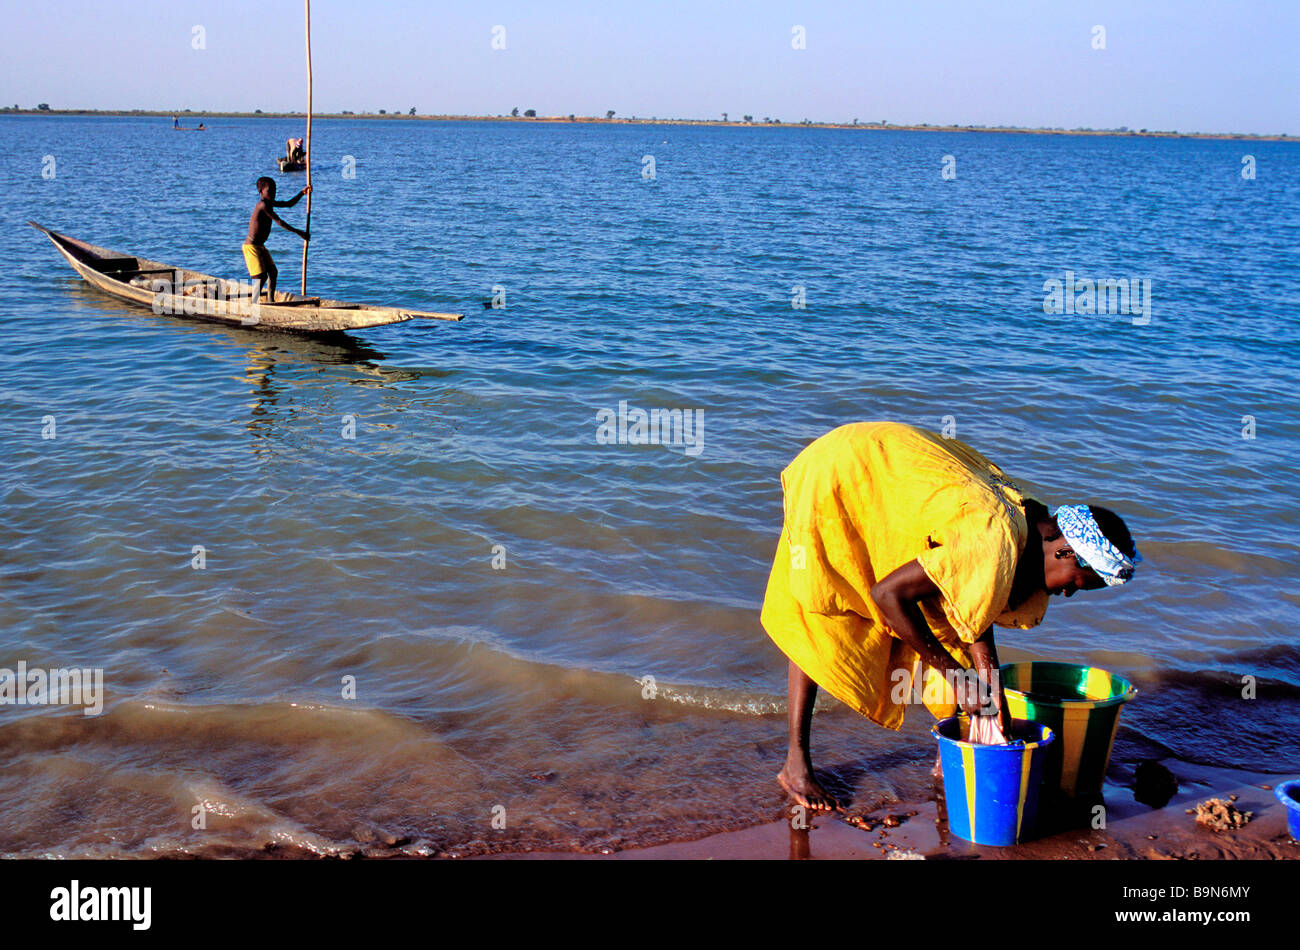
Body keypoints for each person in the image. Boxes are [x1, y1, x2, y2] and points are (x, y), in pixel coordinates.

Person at [761, 421, 1141, 811]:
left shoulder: (1029, 528)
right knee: (824, 610)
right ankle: (797, 766)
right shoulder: (992, 536)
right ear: (1065, 552)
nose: (1070, 592)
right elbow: (887, 595)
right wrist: (958, 678)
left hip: (887, 466)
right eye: (1078, 582)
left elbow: (976, 605)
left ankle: (954, 759)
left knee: (943, 632)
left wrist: (991, 690)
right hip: (843, 472)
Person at [243, 177, 310, 303]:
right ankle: (254, 302)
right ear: (261, 192)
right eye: (270, 191)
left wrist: (302, 193)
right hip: (251, 247)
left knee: (273, 272)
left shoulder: (269, 202)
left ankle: (270, 300)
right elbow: (279, 222)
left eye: (275, 191)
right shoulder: (262, 205)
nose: (273, 194)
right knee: (261, 277)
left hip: (260, 246)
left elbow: (289, 204)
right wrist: (299, 232)